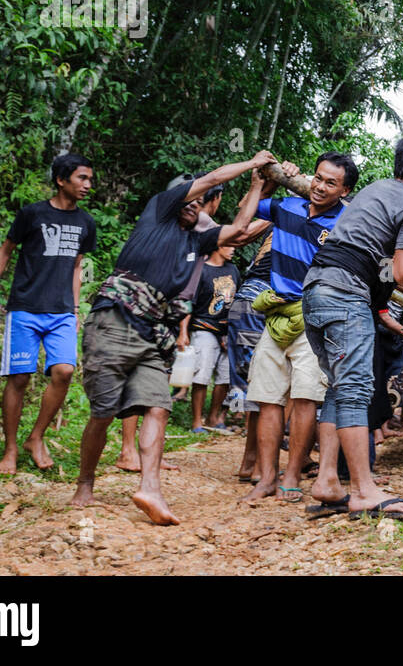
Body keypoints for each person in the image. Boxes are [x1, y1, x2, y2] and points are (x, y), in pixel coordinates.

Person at [69, 150, 275, 525]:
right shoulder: (158, 212)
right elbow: (210, 180)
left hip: (153, 335)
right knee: (102, 413)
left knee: (159, 406)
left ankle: (151, 487)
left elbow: (241, 229)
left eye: (199, 204)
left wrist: (259, 185)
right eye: (189, 198)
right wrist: (252, 163)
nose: (193, 204)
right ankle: (85, 484)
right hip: (115, 320)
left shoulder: (197, 243)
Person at [301, 131, 403, 519]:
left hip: (316, 288)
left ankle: (327, 482)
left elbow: (381, 261)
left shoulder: (376, 190)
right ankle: (363, 490)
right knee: (354, 390)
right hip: (344, 296)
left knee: (339, 388)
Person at [240, 152, 357, 504]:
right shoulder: (287, 205)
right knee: (267, 397)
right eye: (318, 178)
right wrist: (263, 182)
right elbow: (243, 219)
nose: (320, 187)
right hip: (276, 315)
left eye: (330, 183)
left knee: (306, 398)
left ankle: (292, 477)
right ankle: (267, 478)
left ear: (345, 190)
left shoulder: (348, 224)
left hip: (315, 321)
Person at [0, 153, 96, 474]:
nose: (87, 185)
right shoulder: (32, 214)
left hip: (62, 313)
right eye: (82, 178)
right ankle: (10, 449)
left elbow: (77, 266)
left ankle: (35, 437)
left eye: (90, 179)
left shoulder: (86, 223)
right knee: (19, 378)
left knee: (65, 372)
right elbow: (5, 252)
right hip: (24, 309)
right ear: (61, 180)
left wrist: (74, 306)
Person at [226, 238, 273, 482]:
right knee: (263, 382)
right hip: (261, 302)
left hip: (250, 302)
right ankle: (255, 464)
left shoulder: (283, 220)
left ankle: (251, 461)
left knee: (254, 380)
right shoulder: (306, 221)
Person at [188, 240, 240, 433]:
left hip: (227, 330)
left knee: (225, 377)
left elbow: (237, 301)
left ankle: (214, 416)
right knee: (201, 375)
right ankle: (196, 421)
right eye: (230, 245)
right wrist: (184, 332)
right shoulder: (200, 269)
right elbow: (190, 301)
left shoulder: (233, 270)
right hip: (203, 326)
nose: (234, 249)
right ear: (218, 246)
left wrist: (232, 330)